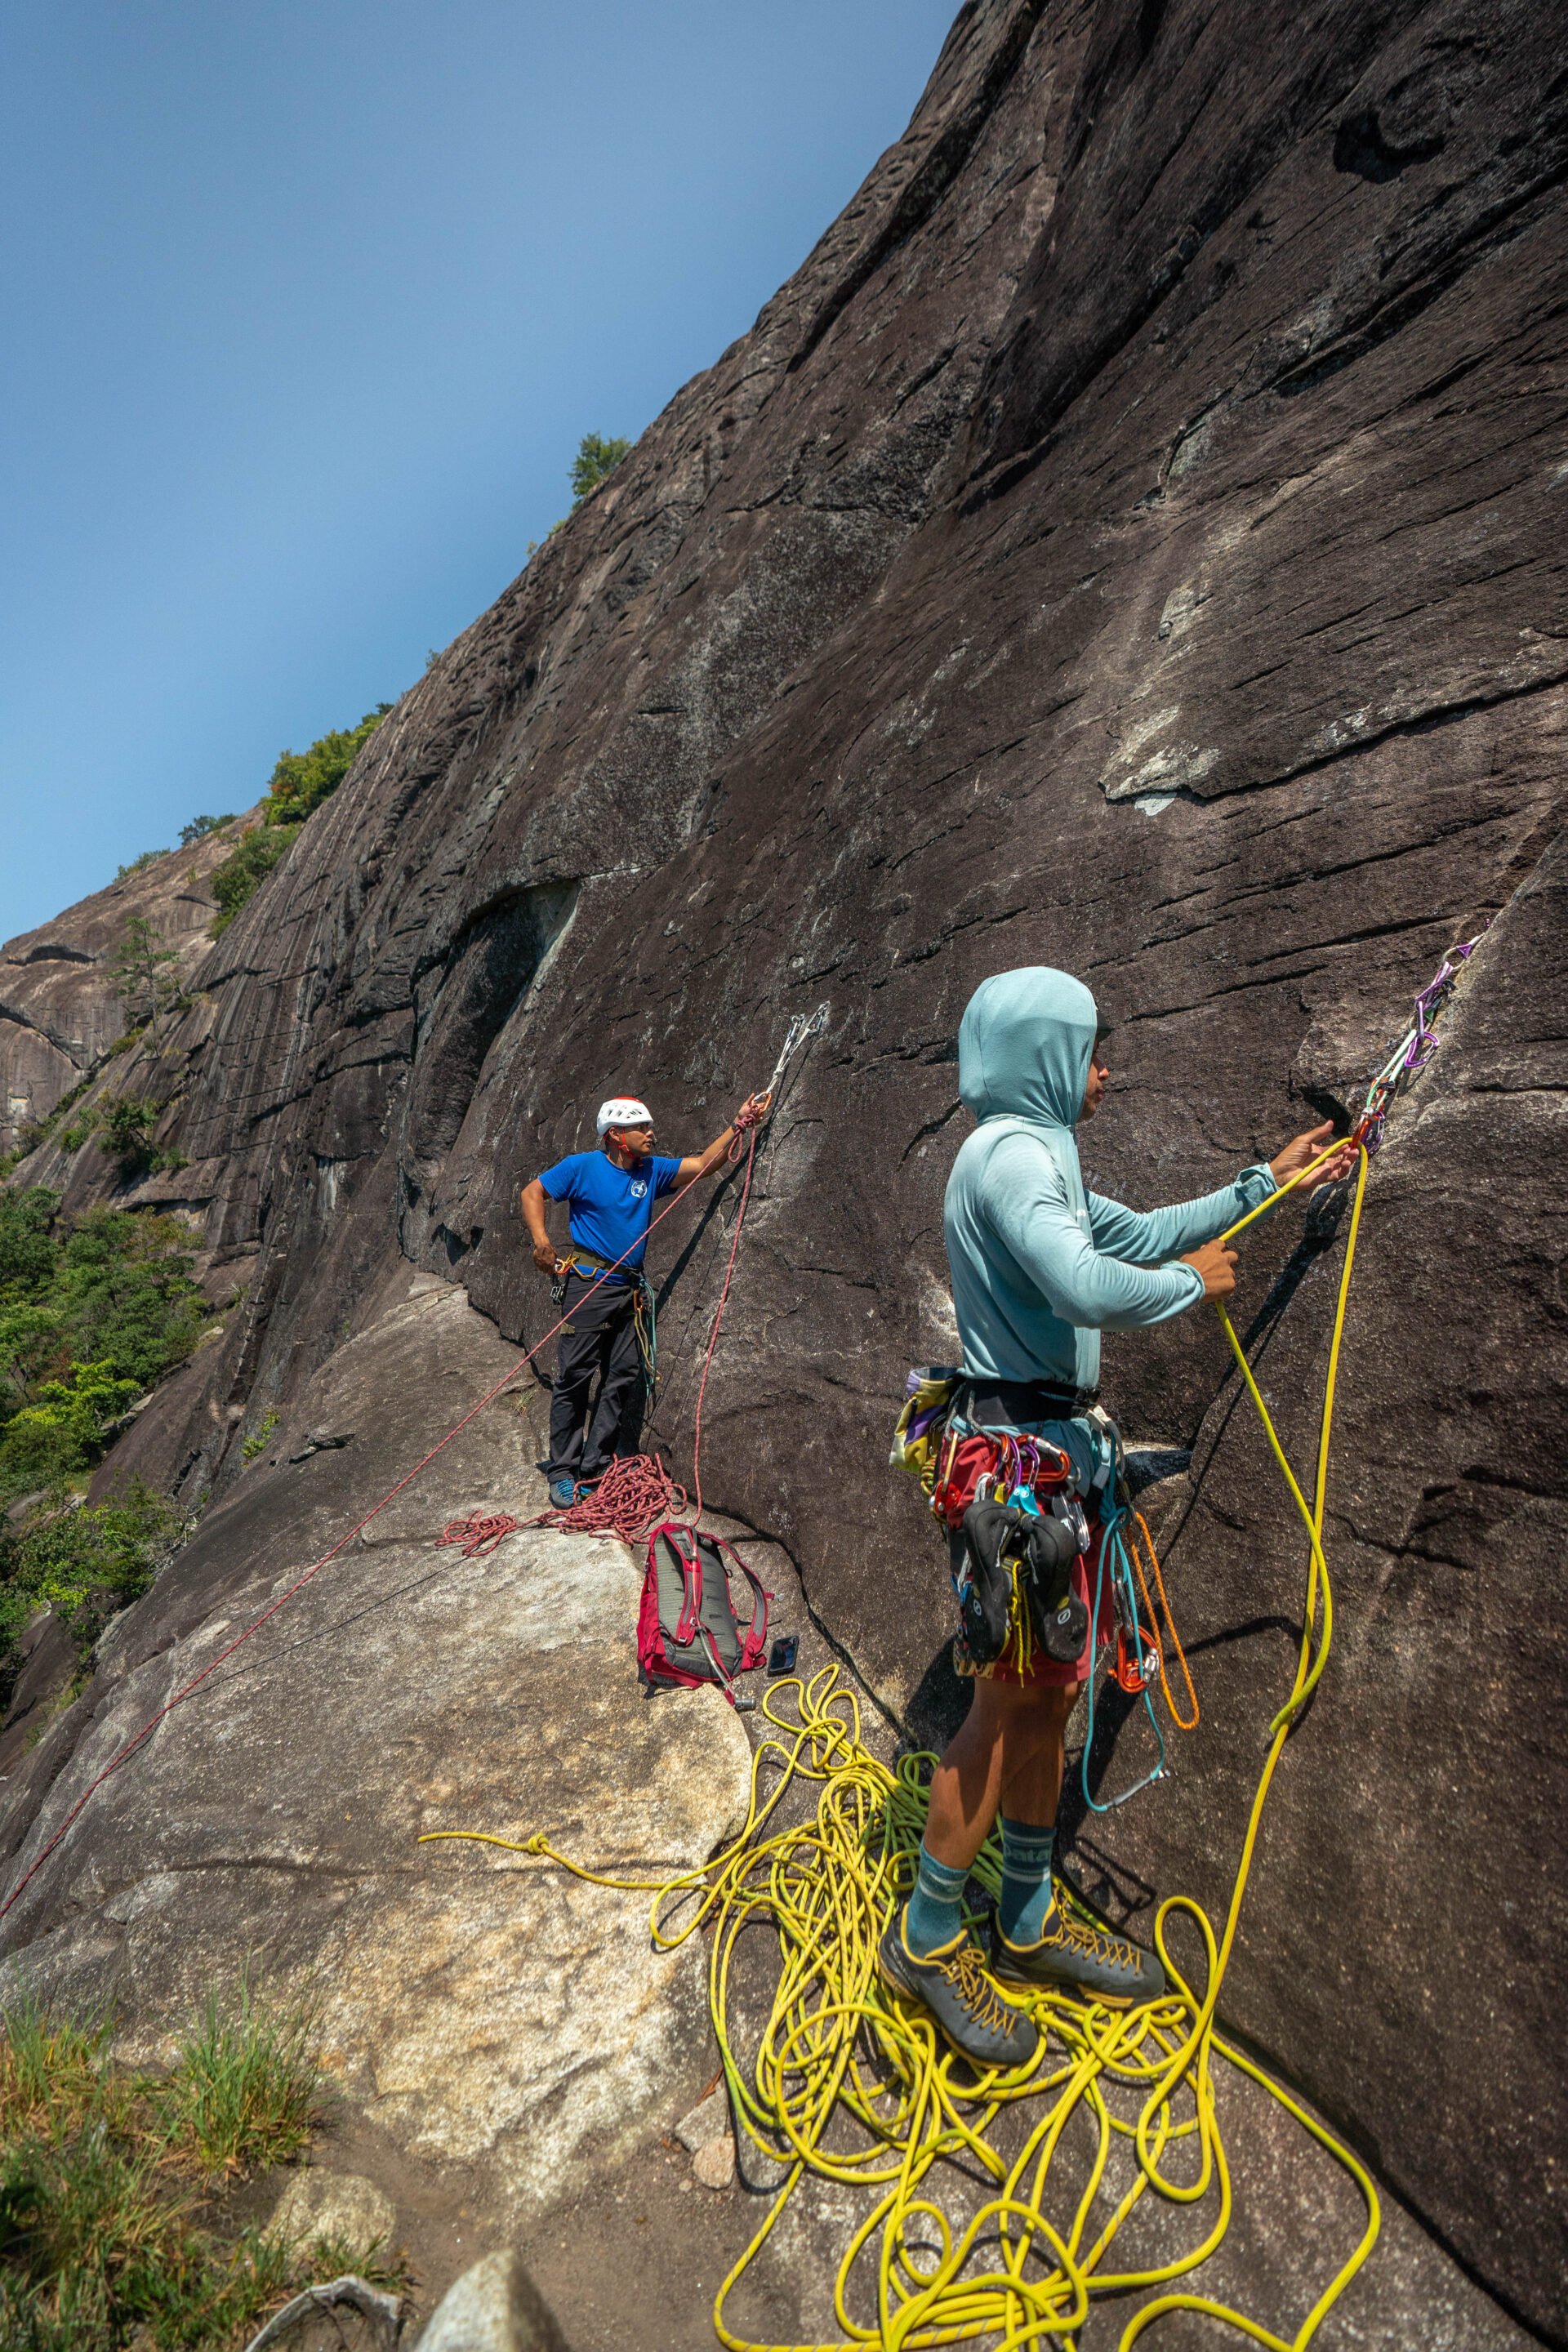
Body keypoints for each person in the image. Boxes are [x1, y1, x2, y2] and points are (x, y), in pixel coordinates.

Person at [879, 967, 1356, 2069]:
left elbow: (1131, 1234)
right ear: (1044, 1053)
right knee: (1003, 1708)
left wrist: (1257, 1188)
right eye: (1092, 1051)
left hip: (1047, 1460)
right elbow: (1090, 1283)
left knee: (1048, 1702)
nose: (1106, 1070)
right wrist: (1196, 1283)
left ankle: (1030, 1915)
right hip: (1021, 1468)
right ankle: (930, 1933)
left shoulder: (1033, 1152)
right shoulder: (1007, 1157)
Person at [521, 1094, 764, 1508]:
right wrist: (542, 1242)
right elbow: (532, 1193)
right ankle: (563, 1470)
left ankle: (595, 1466)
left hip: (629, 1289)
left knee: (622, 1375)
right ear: (616, 1135)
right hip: (589, 1285)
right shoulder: (582, 1167)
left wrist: (739, 1124)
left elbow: (705, 1163)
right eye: (642, 1128)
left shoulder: (651, 1170)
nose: (652, 1134)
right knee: (575, 1376)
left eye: (650, 1127)